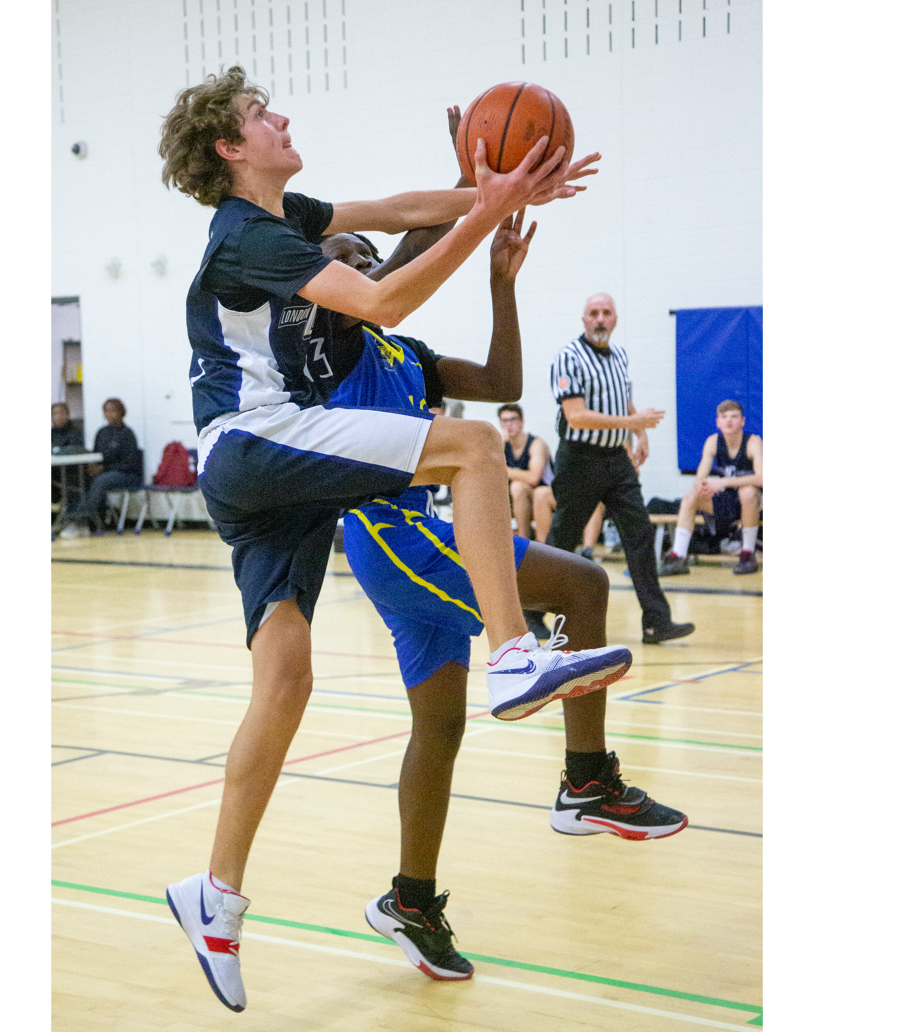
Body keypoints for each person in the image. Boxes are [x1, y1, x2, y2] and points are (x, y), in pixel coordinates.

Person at [154, 67, 621, 1013]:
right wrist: (484, 215)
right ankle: (515, 654)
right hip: (254, 439)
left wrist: (502, 192)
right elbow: (385, 303)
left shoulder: (288, 217)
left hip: (249, 472)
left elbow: (403, 206)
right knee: (475, 446)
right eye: (260, 114)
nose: (280, 116)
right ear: (229, 149)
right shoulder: (248, 238)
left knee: (286, 679)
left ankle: (214, 896)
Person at [319, 220, 688, 981]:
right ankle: (585, 781)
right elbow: (383, 289)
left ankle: (409, 901)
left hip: (415, 533)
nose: (360, 261)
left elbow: (501, 384)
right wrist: (467, 195)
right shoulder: (333, 336)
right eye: (346, 256)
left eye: (366, 251)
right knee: (584, 584)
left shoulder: (405, 353)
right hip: (389, 535)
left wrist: (500, 282)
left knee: (441, 726)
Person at [545, 294, 696, 645]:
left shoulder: (620, 355)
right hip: (579, 459)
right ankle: (533, 612)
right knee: (563, 538)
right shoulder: (569, 357)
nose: (600, 319)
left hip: (616, 459)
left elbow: (623, 399)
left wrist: (639, 433)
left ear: (615, 319)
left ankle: (657, 621)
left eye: (606, 313)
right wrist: (632, 421)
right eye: (594, 314)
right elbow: (576, 415)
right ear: (583, 320)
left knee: (640, 535)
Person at [659, 399, 763, 576]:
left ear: (742, 421)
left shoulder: (753, 442)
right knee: (691, 496)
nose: (729, 420)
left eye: (734, 416)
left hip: (753, 503)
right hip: (728, 500)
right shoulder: (713, 441)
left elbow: (762, 478)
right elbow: (700, 475)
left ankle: (747, 554)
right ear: (718, 422)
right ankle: (678, 556)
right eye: (724, 417)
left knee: (747, 491)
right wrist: (701, 485)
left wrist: (723, 482)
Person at [62, 398, 143, 531]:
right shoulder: (102, 433)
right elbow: (97, 455)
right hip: (105, 472)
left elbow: (130, 464)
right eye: (106, 411)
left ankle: (81, 522)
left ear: (121, 412)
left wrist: (104, 468)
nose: (109, 414)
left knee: (100, 481)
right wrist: (91, 467)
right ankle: (69, 517)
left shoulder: (127, 434)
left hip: (127, 474)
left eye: (113, 411)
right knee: (78, 479)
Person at [498, 403, 555, 543]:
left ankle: (524, 539)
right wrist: (496, 445)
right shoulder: (502, 445)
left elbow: (534, 478)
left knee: (518, 487)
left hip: (546, 493)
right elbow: (484, 472)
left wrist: (501, 469)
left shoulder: (536, 444)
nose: (508, 425)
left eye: (513, 419)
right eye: (504, 421)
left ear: (522, 422)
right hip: (519, 499)